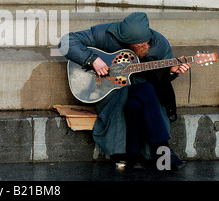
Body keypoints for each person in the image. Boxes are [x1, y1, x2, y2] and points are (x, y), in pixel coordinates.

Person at [58, 12, 190, 170]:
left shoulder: (159, 43)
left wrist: (171, 71)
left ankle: (131, 155)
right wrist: (92, 59)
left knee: (141, 96)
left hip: (141, 91)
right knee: (140, 97)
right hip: (109, 91)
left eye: (146, 42)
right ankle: (162, 151)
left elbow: (162, 81)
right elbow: (66, 42)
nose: (146, 46)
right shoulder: (105, 34)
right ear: (127, 42)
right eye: (140, 46)